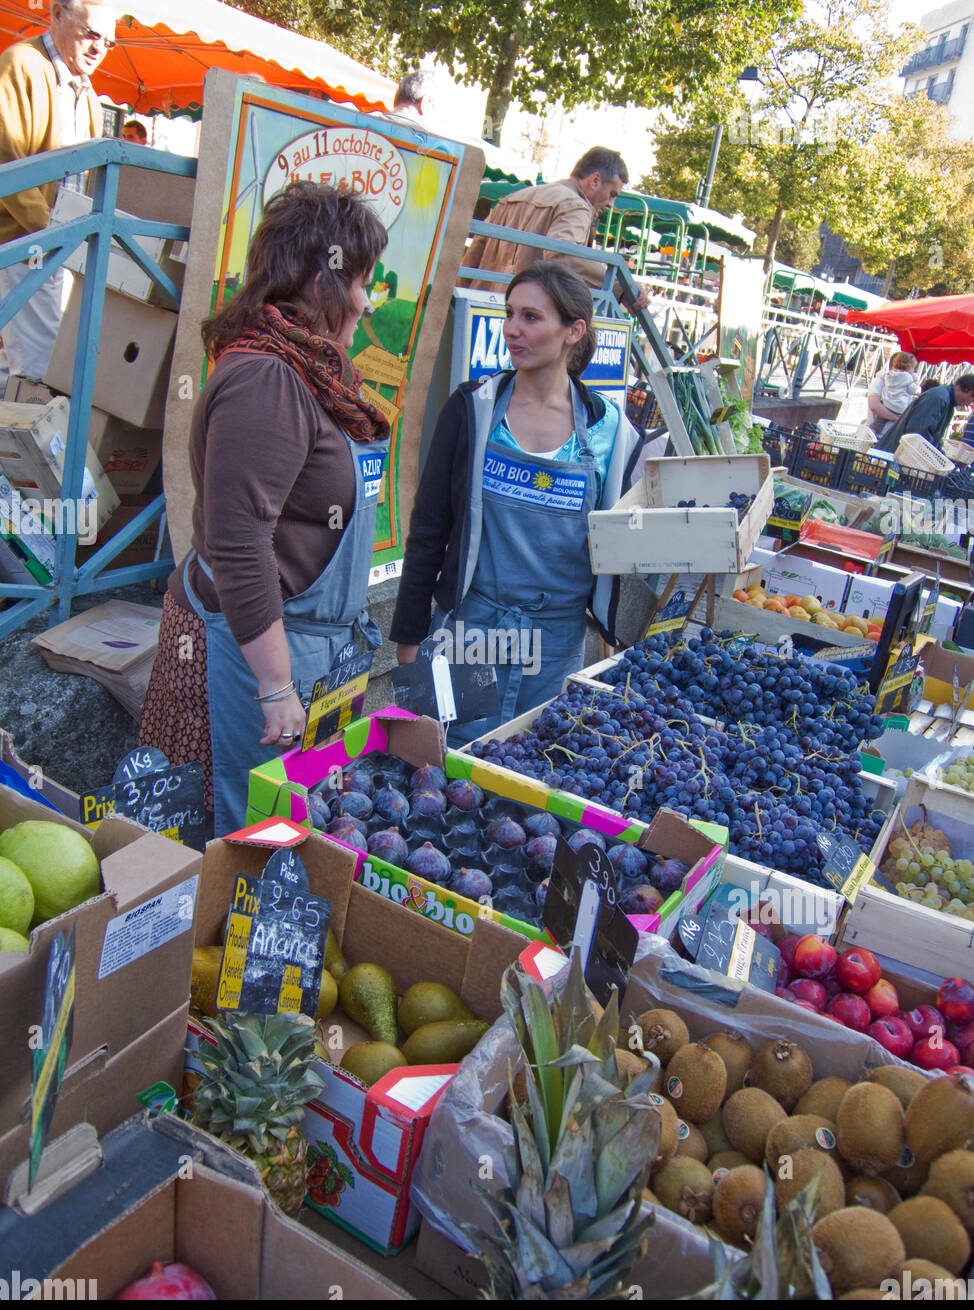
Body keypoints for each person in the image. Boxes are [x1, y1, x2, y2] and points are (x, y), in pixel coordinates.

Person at [139, 182, 390, 834]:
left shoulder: (308, 369)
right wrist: (276, 686)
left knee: (297, 827)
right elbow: (239, 542)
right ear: (321, 278)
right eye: (361, 279)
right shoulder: (268, 378)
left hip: (313, 647)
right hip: (259, 655)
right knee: (254, 835)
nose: (365, 300)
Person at [390, 261, 643, 747]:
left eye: (531, 317)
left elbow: (622, 545)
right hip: (469, 633)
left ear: (574, 331)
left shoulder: (610, 431)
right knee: (448, 771)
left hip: (554, 647)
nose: (512, 330)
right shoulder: (474, 409)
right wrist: (408, 639)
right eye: (509, 314)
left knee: (530, 772)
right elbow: (428, 529)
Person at [0, 0, 114, 389]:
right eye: (92, 34)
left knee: (44, 367)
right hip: (25, 244)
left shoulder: (90, 95)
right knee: (43, 371)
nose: (100, 48)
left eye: (109, 42)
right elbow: (5, 159)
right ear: (56, 15)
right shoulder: (20, 63)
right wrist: (50, 232)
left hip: (61, 249)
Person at [460, 147, 650, 310]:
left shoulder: (513, 198)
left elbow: (473, 256)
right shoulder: (576, 206)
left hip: (480, 311)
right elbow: (563, 255)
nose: (611, 204)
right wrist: (620, 286)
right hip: (526, 316)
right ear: (595, 180)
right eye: (612, 194)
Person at [876, 373, 974, 453]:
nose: (970, 403)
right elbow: (919, 433)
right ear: (966, 390)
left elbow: (934, 438)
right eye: (972, 398)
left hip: (901, 455)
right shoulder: (938, 398)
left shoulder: (947, 402)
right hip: (895, 454)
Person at [865, 351, 918, 432]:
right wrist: (898, 418)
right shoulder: (880, 381)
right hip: (880, 433)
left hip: (890, 432)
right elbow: (874, 405)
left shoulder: (886, 377)